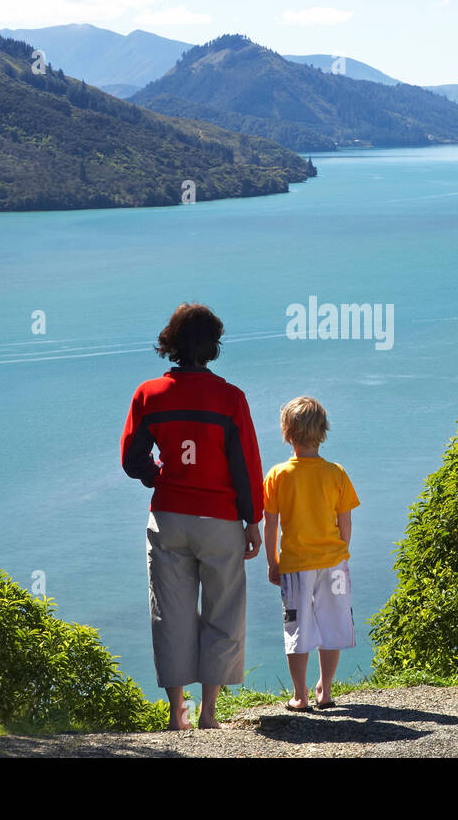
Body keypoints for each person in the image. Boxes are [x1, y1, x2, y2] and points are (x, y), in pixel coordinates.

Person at [120, 303, 263, 730]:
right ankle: (210, 714)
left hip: (168, 517)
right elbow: (246, 466)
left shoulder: (149, 394)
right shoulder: (231, 398)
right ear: (213, 345)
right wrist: (251, 519)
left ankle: (175, 714)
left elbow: (131, 458)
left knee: (171, 613)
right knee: (221, 612)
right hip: (219, 522)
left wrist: (157, 476)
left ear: (171, 343)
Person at [263, 396, 359, 712]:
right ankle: (326, 691)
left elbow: (271, 525)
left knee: (296, 627)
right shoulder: (336, 473)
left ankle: (300, 695)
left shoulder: (277, 475)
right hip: (334, 563)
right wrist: (342, 553)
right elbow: (345, 521)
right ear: (323, 431)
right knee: (333, 624)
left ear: (288, 434)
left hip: (295, 566)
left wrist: (272, 562)